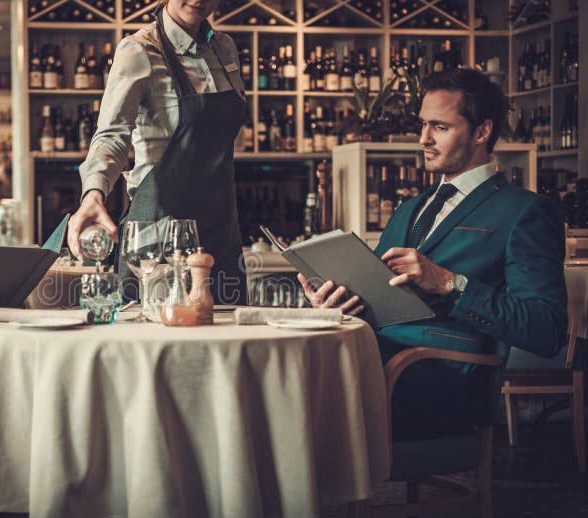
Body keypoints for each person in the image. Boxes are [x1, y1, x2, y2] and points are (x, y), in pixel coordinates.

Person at [301, 68, 567, 441]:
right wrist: (337, 304)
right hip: (376, 365)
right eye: (423, 125)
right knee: (286, 365)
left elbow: (547, 330)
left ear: (481, 131)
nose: (423, 138)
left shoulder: (525, 211)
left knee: (294, 389)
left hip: (444, 383)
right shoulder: (409, 209)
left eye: (439, 127)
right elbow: (380, 301)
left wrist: (449, 283)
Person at [67, 0, 248, 305]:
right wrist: (93, 194)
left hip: (220, 233)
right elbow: (112, 135)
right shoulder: (138, 50)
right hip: (159, 240)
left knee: (228, 346)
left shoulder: (225, 48)